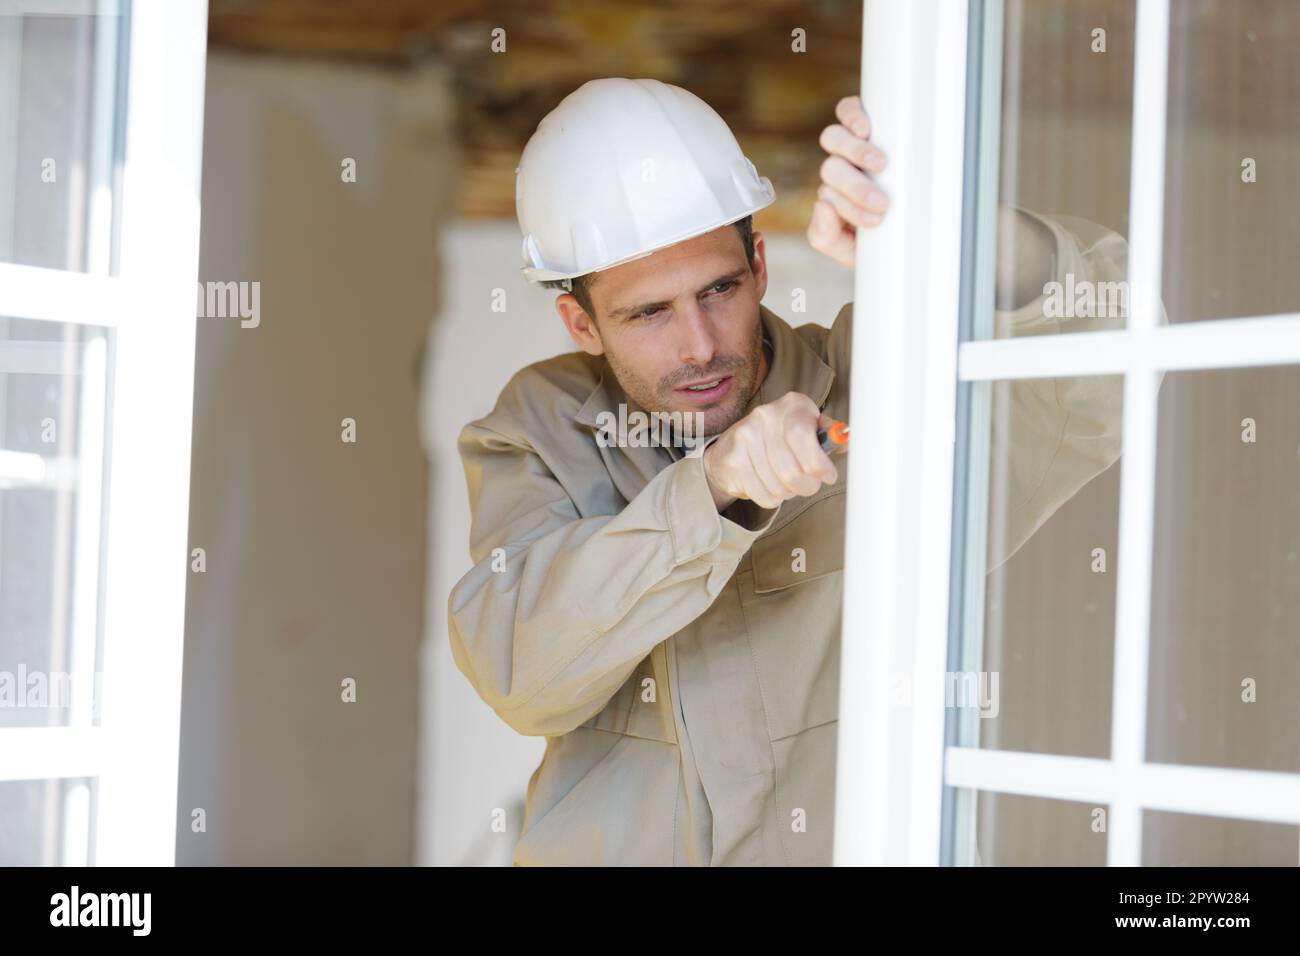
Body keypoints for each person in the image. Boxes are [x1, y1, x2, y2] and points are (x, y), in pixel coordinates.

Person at [447, 77, 1136, 865]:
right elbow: (522, 673)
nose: (700, 344)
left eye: (719, 288)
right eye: (648, 313)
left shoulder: (878, 376)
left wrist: (968, 232)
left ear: (761, 264)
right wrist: (713, 488)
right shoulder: (540, 429)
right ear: (582, 323)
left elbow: (1107, 359)